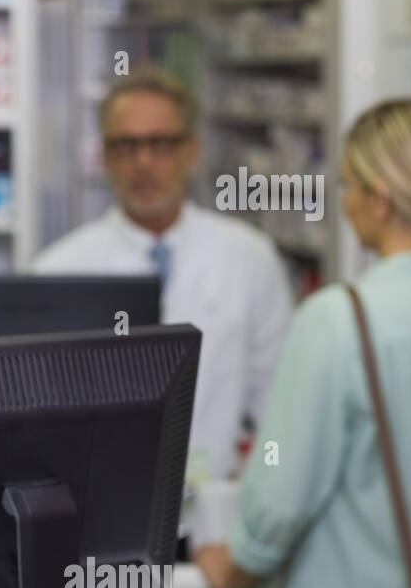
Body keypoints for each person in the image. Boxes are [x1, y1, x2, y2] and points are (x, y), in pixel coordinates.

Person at [195, 98, 411, 588]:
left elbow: (280, 500)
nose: (343, 203)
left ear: (382, 199)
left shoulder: (340, 319)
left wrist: (231, 563)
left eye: (347, 185)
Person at [32, 70, 293, 484]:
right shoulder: (58, 270)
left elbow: (279, 409)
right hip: (98, 520)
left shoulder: (249, 257)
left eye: (161, 144)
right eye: (126, 145)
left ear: (192, 151)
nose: (144, 162)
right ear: (104, 155)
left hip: (216, 521)